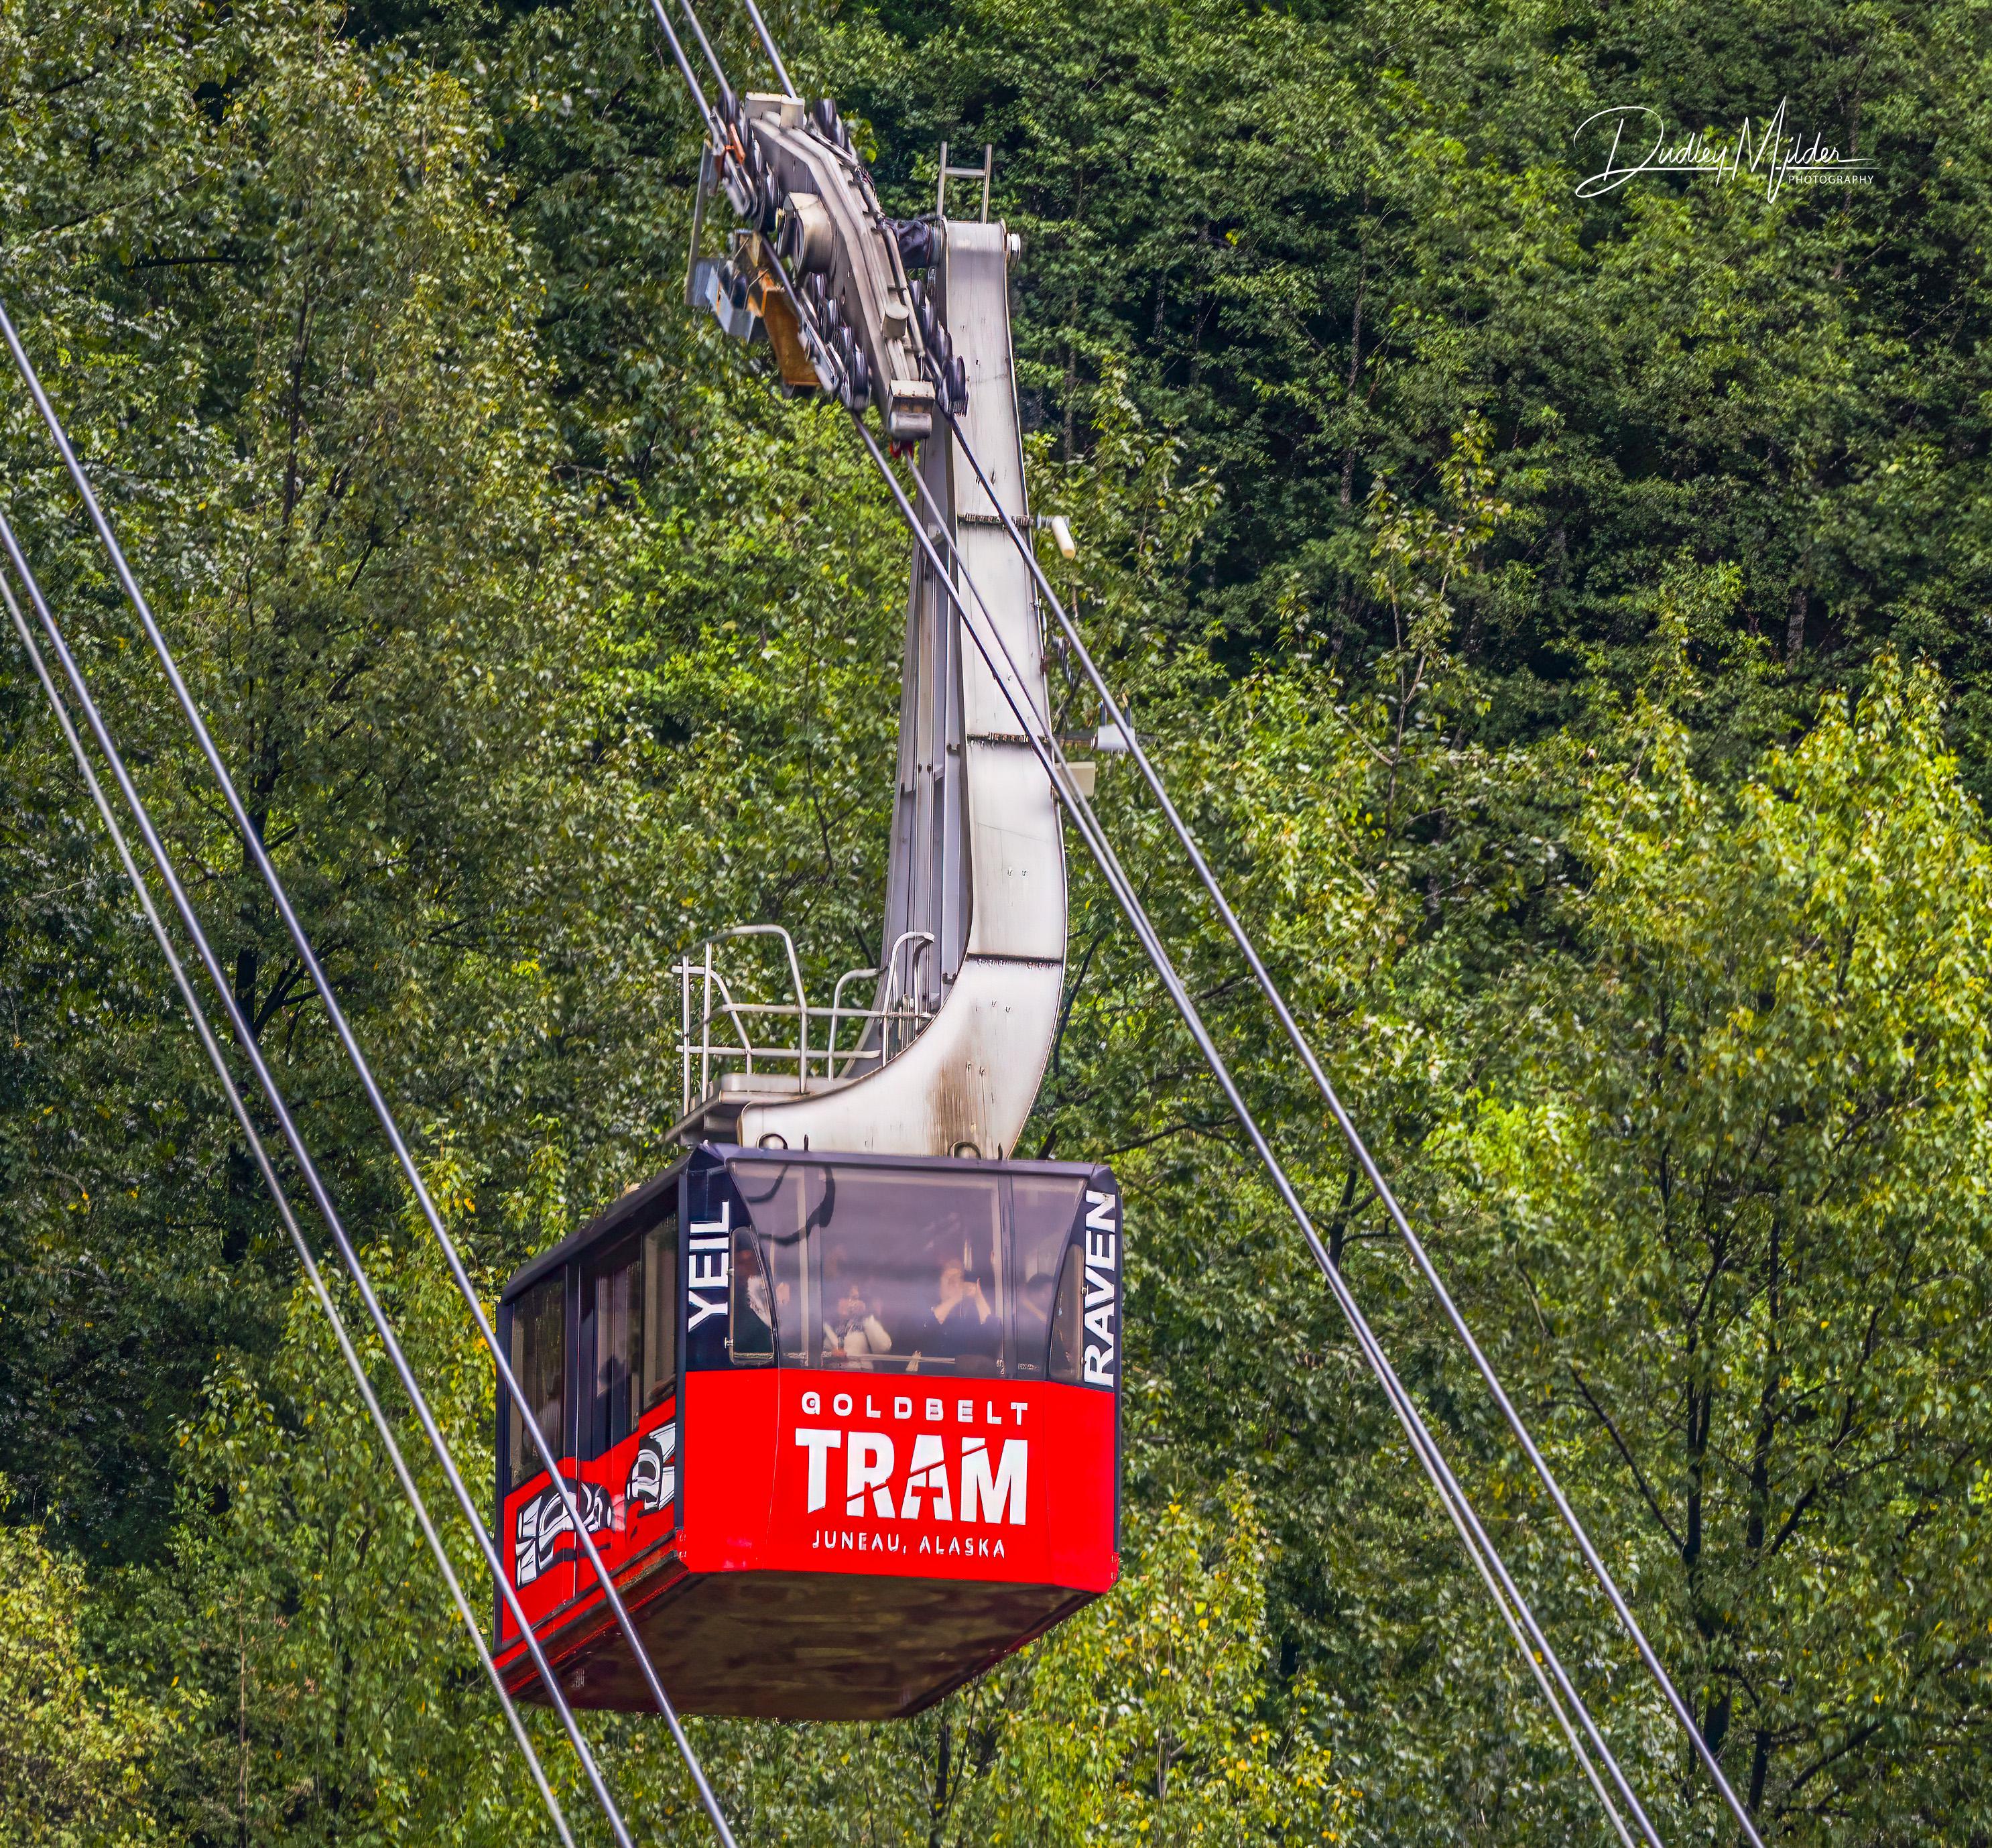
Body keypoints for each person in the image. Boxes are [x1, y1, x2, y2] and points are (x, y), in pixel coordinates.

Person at [918, 1258, 999, 1365]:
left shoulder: (969, 1320)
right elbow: (928, 1331)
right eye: (951, 1280)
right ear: (939, 1284)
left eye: (960, 1280)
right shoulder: (924, 1312)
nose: (957, 1285)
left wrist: (978, 1296)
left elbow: (994, 1335)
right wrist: (955, 1298)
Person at [822, 1282, 892, 1363]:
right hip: (830, 1374)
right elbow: (812, 1354)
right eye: (848, 1297)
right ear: (837, 1298)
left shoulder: (864, 1322)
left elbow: (883, 1348)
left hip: (859, 1373)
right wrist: (831, 1355)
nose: (852, 1303)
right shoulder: (825, 1324)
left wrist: (866, 1315)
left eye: (855, 1299)